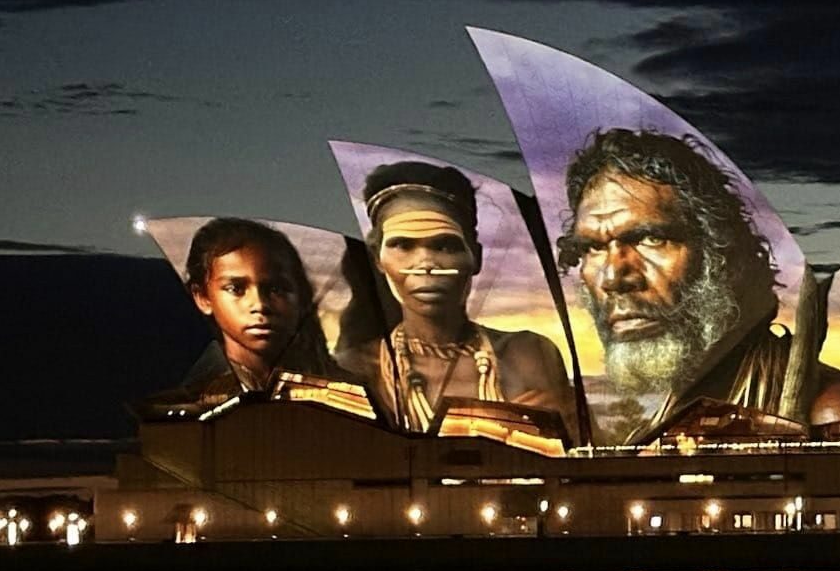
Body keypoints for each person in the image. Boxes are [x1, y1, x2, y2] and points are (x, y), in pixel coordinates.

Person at [556, 128, 840, 443]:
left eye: (650, 237)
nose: (613, 277)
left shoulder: (836, 413)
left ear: (720, 253)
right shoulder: (659, 426)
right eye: (593, 248)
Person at [341, 160, 575, 436]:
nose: (426, 263)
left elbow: (589, 454)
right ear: (378, 260)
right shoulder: (355, 372)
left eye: (444, 245)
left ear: (475, 256)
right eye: (403, 245)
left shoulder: (530, 355)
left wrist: (564, 425)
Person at [182, 217, 336, 397]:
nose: (260, 305)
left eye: (276, 289)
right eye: (236, 289)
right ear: (203, 297)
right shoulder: (194, 396)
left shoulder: (342, 391)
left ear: (300, 296)